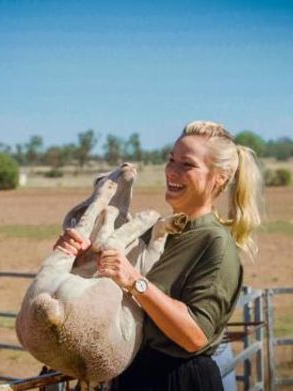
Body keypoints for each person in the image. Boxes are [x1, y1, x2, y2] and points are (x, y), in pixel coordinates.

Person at [55, 120, 263, 390]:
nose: (172, 172)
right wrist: (76, 255)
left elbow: (195, 336)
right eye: (171, 160)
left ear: (219, 177)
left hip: (179, 380)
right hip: (135, 373)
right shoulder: (156, 232)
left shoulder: (214, 243)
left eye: (187, 165)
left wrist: (135, 281)